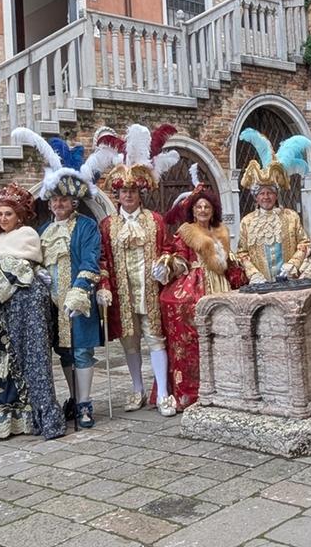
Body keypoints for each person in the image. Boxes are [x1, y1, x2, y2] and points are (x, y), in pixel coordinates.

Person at [12, 127, 109, 428]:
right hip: (52, 303)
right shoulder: (43, 231)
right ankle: (73, 397)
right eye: (54, 201)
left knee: (82, 351)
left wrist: (80, 291)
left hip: (78, 300)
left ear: (73, 202)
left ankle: (85, 403)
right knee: (64, 353)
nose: (58, 205)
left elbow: (91, 260)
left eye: (63, 201)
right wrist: (38, 272)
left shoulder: (86, 226)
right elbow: (34, 260)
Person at [0, 182, 66, 440]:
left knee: (32, 356)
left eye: (8, 214)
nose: (3, 219)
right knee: (7, 357)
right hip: (3, 307)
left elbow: (19, 270)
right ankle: (11, 416)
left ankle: (41, 416)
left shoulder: (27, 235)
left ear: (20, 216)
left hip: (26, 302)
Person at [96, 123, 179, 416]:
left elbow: (168, 249)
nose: (128, 196)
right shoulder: (108, 225)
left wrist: (164, 266)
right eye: (123, 191)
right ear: (117, 195)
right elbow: (102, 260)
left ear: (139, 193)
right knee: (129, 344)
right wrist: (104, 288)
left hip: (150, 292)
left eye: (132, 191)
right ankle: (136, 389)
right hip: (123, 294)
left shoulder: (155, 220)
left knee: (156, 339)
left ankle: (163, 393)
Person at [156, 168, 248, 410]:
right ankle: (191, 390)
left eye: (207, 207)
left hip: (220, 285)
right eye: (199, 207)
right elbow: (174, 255)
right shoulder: (186, 232)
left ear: (213, 210)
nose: (203, 210)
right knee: (193, 339)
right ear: (193, 210)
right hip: (196, 285)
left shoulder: (221, 231)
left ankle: (226, 384)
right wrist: (173, 264)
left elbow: (227, 260)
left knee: (224, 336)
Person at [236, 129, 311, 283]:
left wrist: (293, 264)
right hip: (260, 285)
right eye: (262, 194)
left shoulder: (291, 217)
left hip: (289, 281)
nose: (266, 197)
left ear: (276, 195)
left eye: (270, 193)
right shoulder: (247, 222)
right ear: (256, 197)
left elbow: (304, 243)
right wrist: (253, 274)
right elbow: (242, 253)